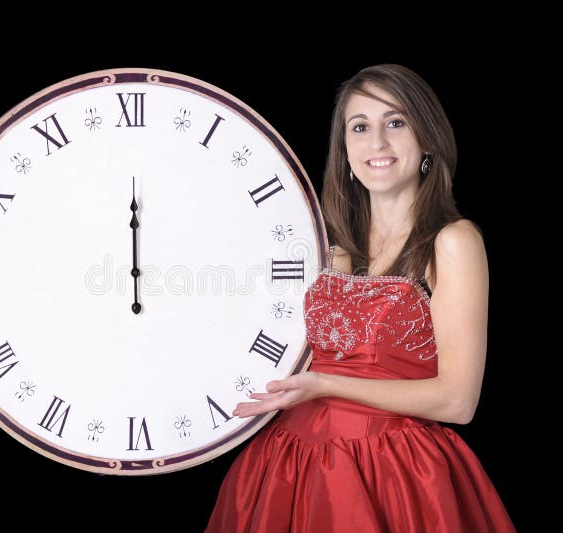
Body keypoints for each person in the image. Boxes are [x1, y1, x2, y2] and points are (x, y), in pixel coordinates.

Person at [205, 64, 516, 532]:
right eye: (360, 127)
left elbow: (458, 402)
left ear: (427, 138)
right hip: (289, 465)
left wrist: (325, 385)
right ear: (345, 149)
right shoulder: (329, 245)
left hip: (391, 472)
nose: (378, 143)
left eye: (395, 122)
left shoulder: (453, 241)